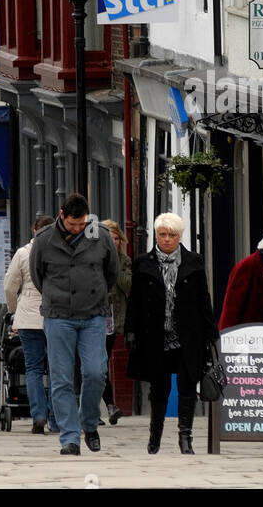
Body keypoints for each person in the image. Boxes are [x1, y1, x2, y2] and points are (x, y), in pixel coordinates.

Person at [29, 194, 119, 457]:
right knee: (61, 379)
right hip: (58, 316)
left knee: (95, 372)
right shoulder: (44, 239)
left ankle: (89, 423)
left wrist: (97, 294)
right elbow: (38, 276)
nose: (77, 228)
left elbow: (111, 272)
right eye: (72, 224)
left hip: (93, 315)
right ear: (61, 215)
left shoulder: (100, 236)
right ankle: (70, 438)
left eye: (81, 223)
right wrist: (56, 295)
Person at [125, 212, 218, 456]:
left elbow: (203, 300)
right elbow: (134, 301)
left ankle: (185, 437)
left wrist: (211, 333)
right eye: (162, 234)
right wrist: (131, 330)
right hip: (155, 335)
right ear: (156, 235)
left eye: (172, 235)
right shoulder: (144, 263)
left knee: (188, 386)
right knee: (159, 387)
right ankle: (154, 436)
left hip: (187, 335)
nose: (166, 239)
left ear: (180, 236)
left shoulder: (193, 262)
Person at [5, 215, 55, 433]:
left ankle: (38, 416)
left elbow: (9, 286)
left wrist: (13, 310)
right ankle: (58, 418)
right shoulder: (59, 253)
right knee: (56, 369)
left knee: (33, 368)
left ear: (34, 230)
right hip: (55, 316)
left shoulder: (23, 253)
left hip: (28, 317)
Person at [218, 232, 263, 330]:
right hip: (245, 331)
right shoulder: (247, 267)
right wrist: (226, 334)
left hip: (261, 329)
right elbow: (232, 305)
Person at [100, 219, 132, 426]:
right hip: (92, 316)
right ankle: (106, 405)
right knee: (96, 363)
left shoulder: (124, 261)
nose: (113, 243)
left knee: (101, 361)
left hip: (112, 319)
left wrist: (116, 263)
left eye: (116, 239)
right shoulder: (93, 259)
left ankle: (108, 406)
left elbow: (129, 285)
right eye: (108, 239)